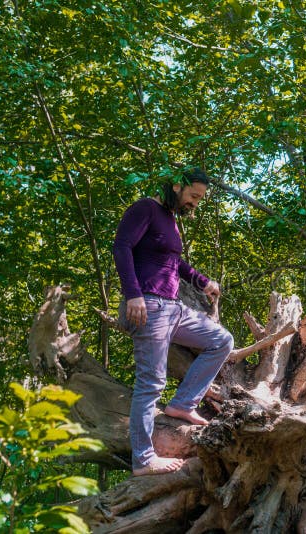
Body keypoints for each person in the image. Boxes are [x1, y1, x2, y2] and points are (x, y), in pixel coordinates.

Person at [113, 167, 234, 476]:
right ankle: (143, 460)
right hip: (148, 306)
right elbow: (122, 246)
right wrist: (133, 294)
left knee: (221, 340)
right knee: (150, 384)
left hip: (173, 307)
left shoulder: (168, 219)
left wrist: (203, 282)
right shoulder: (145, 208)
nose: (195, 203)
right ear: (178, 186)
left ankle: (182, 404)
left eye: (200, 199)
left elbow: (174, 263)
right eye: (193, 196)